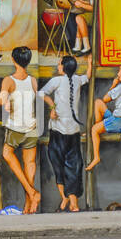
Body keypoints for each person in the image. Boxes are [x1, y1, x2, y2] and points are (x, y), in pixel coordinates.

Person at [39, 54, 92, 212]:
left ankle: (66, 199)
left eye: (59, 63)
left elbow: (41, 93)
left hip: (58, 130)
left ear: (63, 67)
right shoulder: (77, 79)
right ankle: (71, 202)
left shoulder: (57, 80)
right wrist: (89, 64)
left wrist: (52, 107)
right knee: (73, 167)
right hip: (73, 131)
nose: (57, 65)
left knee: (58, 165)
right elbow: (87, 77)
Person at [0, 46, 41, 213]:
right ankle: (28, 205)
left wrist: (6, 101)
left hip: (16, 127)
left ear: (13, 60)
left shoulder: (9, 80)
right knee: (29, 163)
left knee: (7, 153)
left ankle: (31, 192)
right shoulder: (33, 80)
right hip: (32, 126)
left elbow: (2, 97)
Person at [85, 61, 121, 171]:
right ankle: (99, 127)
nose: (118, 74)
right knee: (97, 103)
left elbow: (106, 99)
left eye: (120, 71)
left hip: (118, 121)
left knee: (94, 129)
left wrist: (113, 85)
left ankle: (96, 157)